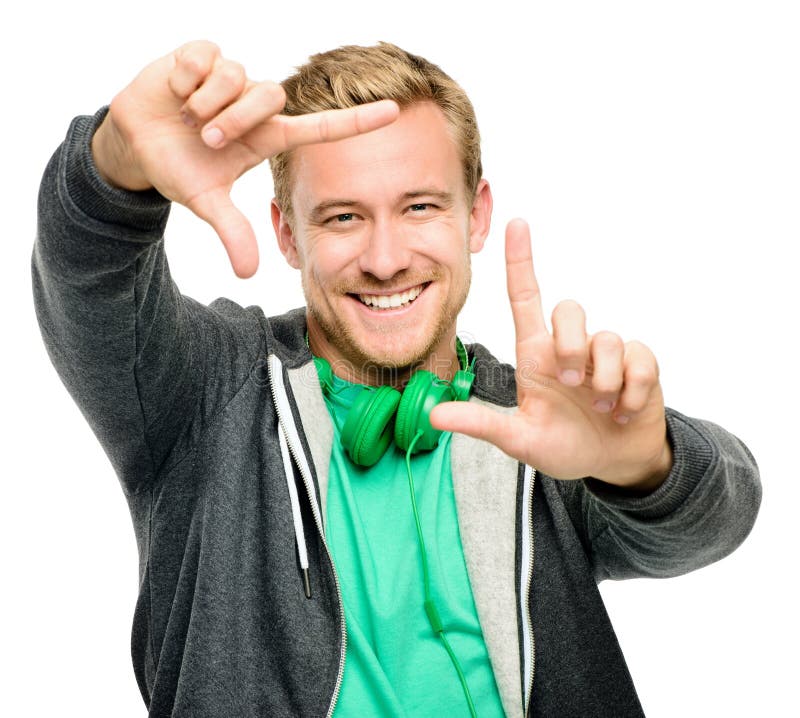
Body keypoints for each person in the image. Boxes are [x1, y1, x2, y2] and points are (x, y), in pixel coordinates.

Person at [32, 40, 761, 718]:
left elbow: (716, 522)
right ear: (288, 232)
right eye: (344, 217)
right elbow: (89, 276)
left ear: (475, 215)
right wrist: (114, 168)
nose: (385, 259)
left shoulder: (539, 420)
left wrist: (639, 465)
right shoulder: (205, 391)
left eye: (419, 207)